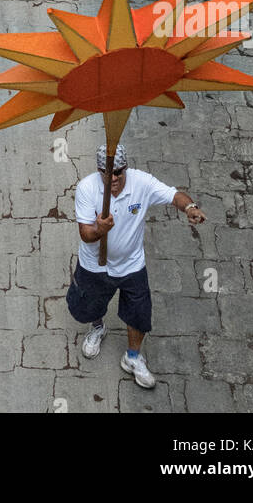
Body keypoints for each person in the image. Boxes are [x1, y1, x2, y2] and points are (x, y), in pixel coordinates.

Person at [67, 143, 205, 390]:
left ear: (126, 168)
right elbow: (85, 234)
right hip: (95, 266)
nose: (115, 178)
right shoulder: (87, 188)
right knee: (87, 307)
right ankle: (98, 327)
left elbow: (174, 195)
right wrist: (99, 229)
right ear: (100, 171)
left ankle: (132, 357)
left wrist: (190, 207)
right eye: (108, 172)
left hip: (132, 265)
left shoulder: (142, 182)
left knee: (139, 314)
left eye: (119, 171)